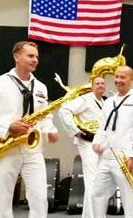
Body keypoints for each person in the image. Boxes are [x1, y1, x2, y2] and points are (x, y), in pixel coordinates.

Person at [0, 41, 59, 218]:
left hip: (33, 149)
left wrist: (50, 129)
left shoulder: (41, 87)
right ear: (16, 57)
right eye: (30, 56)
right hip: (5, 148)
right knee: (3, 199)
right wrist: (7, 127)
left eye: (36, 57)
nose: (35, 60)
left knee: (40, 198)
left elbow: (44, 116)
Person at [91, 66, 133, 218]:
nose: (118, 80)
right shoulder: (109, 101)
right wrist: (97, 143)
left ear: (131, 79)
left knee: (129, 201)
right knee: (97, 194)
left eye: (122, 77)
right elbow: (103, 127)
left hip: (126, 160)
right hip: (106, 159)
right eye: (116, 77)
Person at [58, 76, 105, 218]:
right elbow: (64, 110)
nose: (100, 85)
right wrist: (75, 131)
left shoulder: (103, 101)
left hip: (98, 144)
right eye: (97, 83)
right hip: (87, 143)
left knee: (97, 182)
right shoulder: (85, 99)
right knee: (92, 182)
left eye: (103, 83)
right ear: (92, 86)